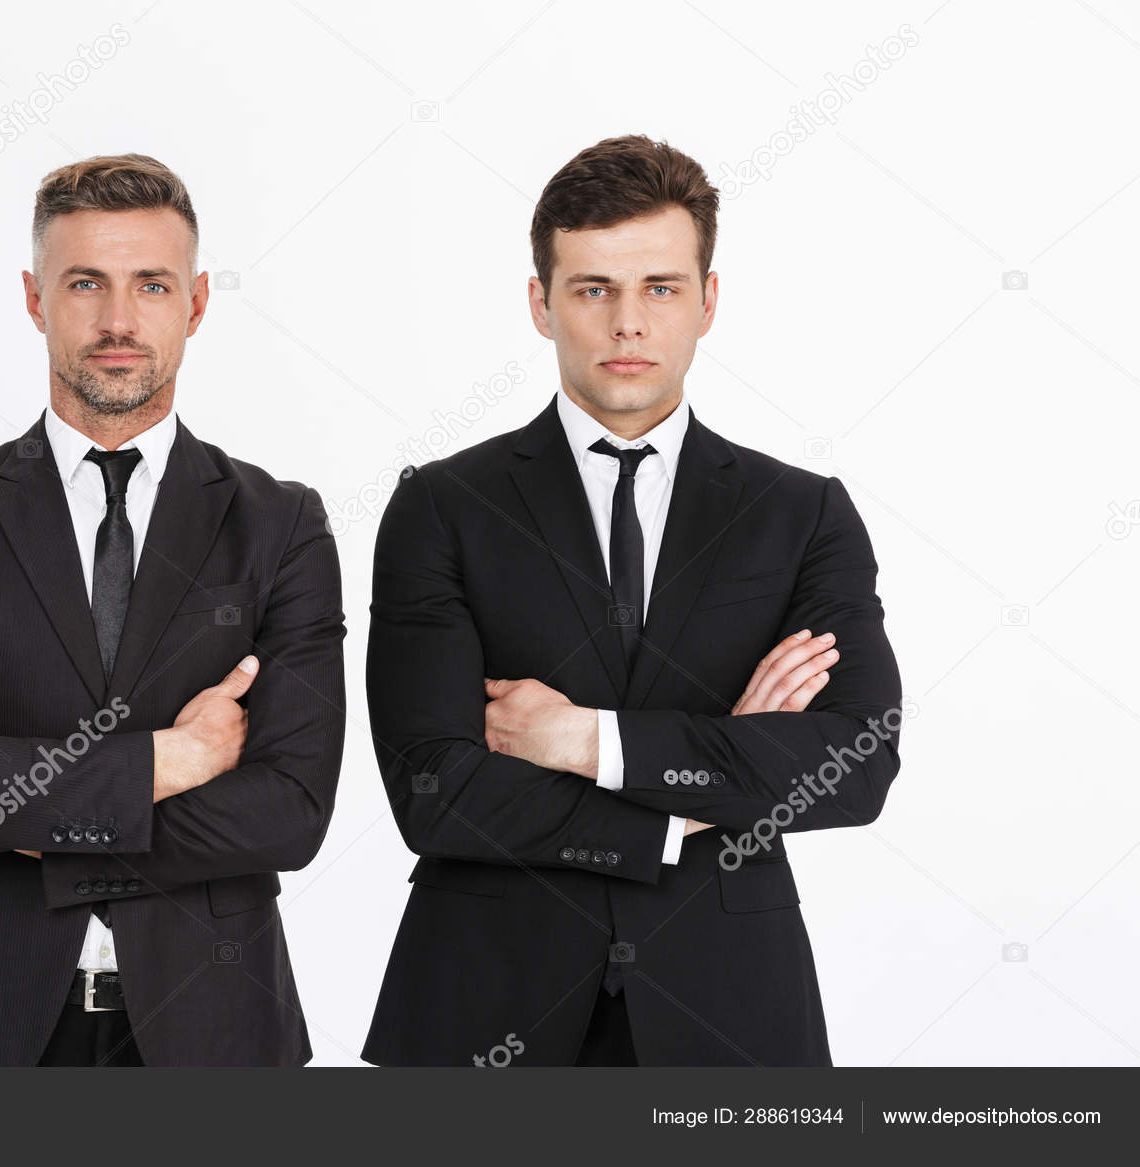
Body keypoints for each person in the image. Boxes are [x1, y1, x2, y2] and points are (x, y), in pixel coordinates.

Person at [362, 135, 902, 1066]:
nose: (628, 325)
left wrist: (589, 742)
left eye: (660, 288)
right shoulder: (443, 506)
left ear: (707, 301)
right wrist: (707, 792)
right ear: (541, 303)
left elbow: (856, 761)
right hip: (486, 1005)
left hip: (729, 1005)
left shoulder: (801, 513)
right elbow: (435, 791)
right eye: (592, 289)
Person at [0, 154, 345, 1067]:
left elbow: (290, 811)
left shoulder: (281, 524)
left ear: (194, 305)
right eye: (86, 283)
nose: (118, 321)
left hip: (216, 1029)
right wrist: (174, 758)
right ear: (36, 299)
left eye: (150, 284)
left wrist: (20, 808)